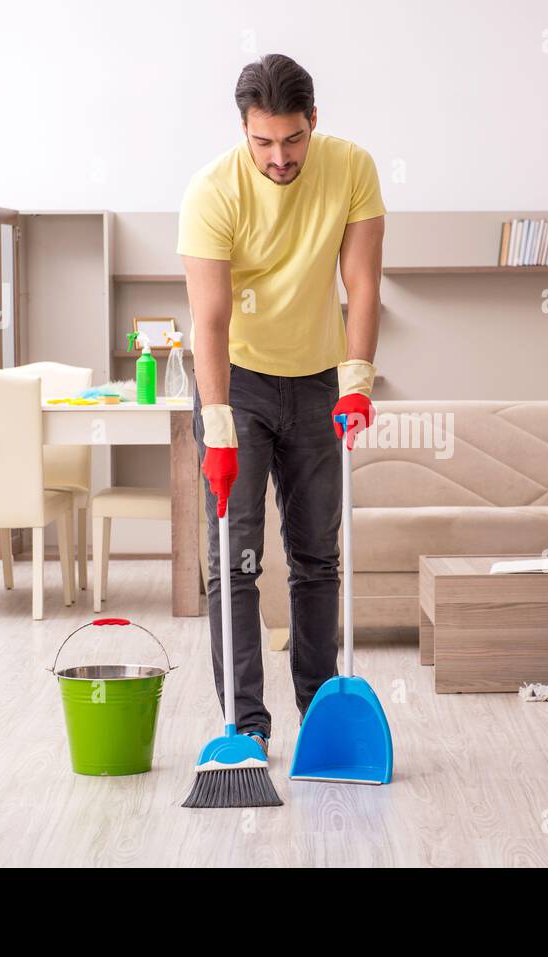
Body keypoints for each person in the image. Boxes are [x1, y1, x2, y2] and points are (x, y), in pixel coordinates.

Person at [177, 53, 386, 754]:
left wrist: (356, 383)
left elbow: (360, 283)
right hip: (233, 380)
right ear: (244, 130)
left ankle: (321, 720)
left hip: (320, 378)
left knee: (316, 558)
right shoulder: (212, 191)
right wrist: (218, 427)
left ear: (313, 123)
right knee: (235, 558)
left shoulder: (351, 168)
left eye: (292, 140)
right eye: (262, 141)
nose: (278, 157)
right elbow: (208, 321)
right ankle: (246, 728)